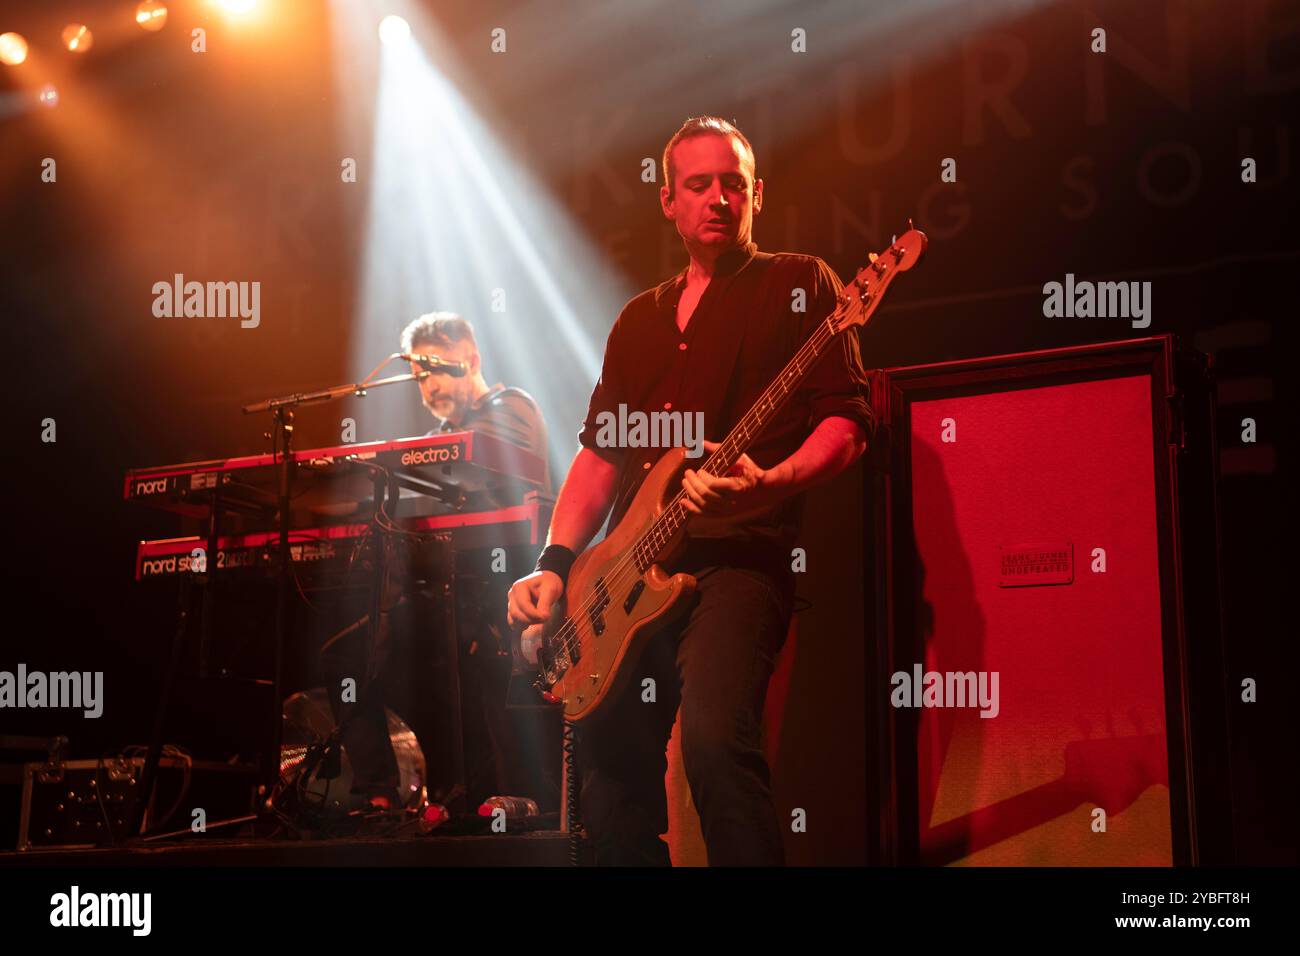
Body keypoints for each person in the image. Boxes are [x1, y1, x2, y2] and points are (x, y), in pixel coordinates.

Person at [506, 117, 873, 865]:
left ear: (757, 195)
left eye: (733, 184)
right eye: (699, 185)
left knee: (714, 746)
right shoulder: (638, 320)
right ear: (667, 202)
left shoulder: (802, 284)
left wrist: (773, 478)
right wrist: (552, 561)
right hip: (623, 574)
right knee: (609, 785)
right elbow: (602, 458)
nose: (718, 198)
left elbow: (846, 422)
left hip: (738, 562)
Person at [322, 312, 550, 813]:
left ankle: (486, 796)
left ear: (470, 360)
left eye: (438, 369)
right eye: (420, 375)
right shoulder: (440, 436)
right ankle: (378, 793)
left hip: (501, 592)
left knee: (430, 652)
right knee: (349, 655)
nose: (429, 385)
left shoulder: (511, 408)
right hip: (445, 597)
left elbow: (477, 486)